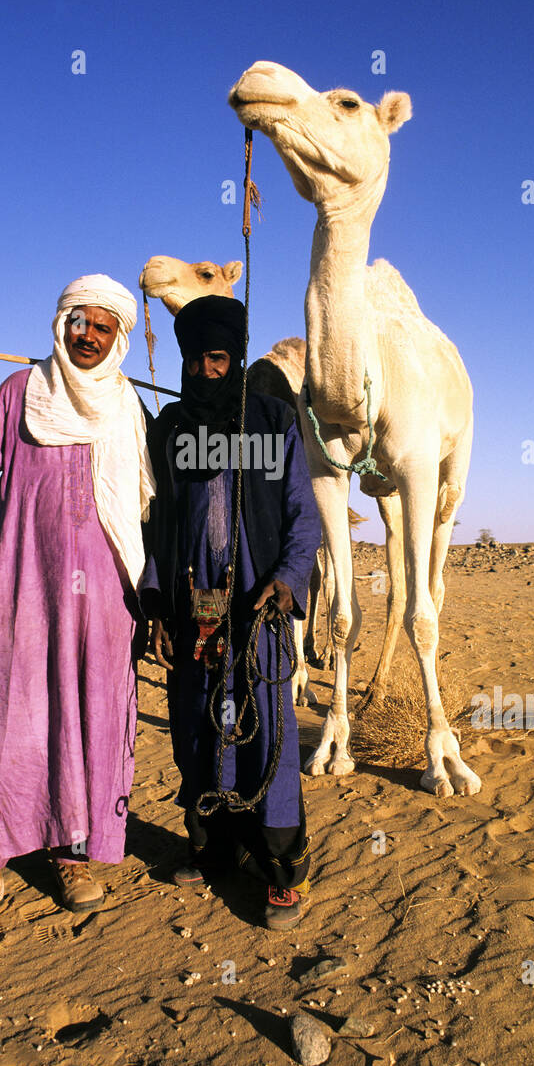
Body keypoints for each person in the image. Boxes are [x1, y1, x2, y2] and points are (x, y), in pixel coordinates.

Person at [0, 275, 155, 940]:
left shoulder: (125, 406)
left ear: (118, 338)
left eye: (101, 327)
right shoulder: (20, 392)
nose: (86, 335)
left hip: (106, 597)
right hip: (26, 587)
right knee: (7, 713)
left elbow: (146, 501)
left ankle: (73, 853)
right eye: (77, 322)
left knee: (92, 716)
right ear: (61, 326)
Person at [140, 297, 321, 930]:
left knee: (266, 731)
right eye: (195, 359)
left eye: (218, 358)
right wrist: (157, 604)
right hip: (195, 613)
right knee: (200, 730)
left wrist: (289, 580)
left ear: (236, 359)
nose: (206, 370)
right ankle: (214, 848)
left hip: (259, 607)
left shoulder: (274, 419)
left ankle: (279, 868)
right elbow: (159, 525)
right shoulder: (170, 430)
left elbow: (305, 514)